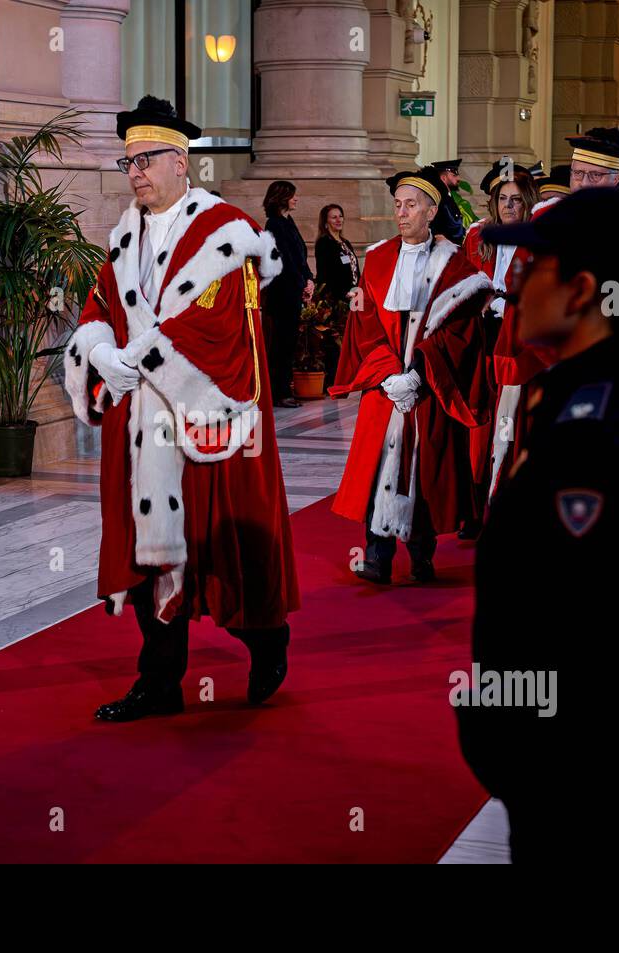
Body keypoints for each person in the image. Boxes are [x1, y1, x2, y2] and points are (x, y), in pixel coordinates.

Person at [457, 189, 619, 862]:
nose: (515, 285)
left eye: (534, 265)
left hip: (588, 771)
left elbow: (574, 623)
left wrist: (510, 744)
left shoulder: (595, 434)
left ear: (580, 289)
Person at [63, 95, 299, 722]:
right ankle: (160, 681)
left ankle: (265, 639)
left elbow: (216, 324)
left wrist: (133, 358)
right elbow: (98, 305)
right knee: (149, 551)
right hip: (140, 423)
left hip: (208, 417)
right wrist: (99, 349)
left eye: (144, 160)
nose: (135, 172)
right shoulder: (122, 236)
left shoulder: (225, 231)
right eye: (127, 162)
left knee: (220, 546)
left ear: (179, 161)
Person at [329, 167, 492, 584]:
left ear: (432, 211)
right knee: (377, 469)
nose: (401, 213)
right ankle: (377, 557)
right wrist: (387, 376)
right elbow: (364, 324)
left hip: (428, 386)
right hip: (385, 390)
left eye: (411, 205)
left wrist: (417, 374)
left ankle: (421, 557)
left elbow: (460, 331)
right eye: (398, 205)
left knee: (423, 471)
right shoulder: (380, 259)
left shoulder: (454, 266)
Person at [462, 166, 539, 509]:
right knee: (480, 416)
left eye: (516, 200)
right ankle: (475, 502)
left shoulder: (537, 239)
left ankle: (504, 495)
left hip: (517, 341)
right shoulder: (480, 238)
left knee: (509, 421)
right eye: (503, 199)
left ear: (527, 203)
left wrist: (508, 301)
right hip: (482, 337)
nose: (509, 207)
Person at [261, 180, 313, 408]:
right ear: (282, 197)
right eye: (293, 195)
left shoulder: (287, 222)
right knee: (281, 345)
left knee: (289, 343)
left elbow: (300, 253)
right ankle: (279, 391)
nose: (296, 199)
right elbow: (285, 261)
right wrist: (302, 283)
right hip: (282, 294)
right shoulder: (274, 224)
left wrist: (309, 279)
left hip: (293, 290)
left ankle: (284, 388)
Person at [314, 203, 359, 389]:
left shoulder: (345, 242)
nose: (339, 220)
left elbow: (354, 269)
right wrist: (344, 293)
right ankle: (334, 380)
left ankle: (348, 376)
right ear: (326, 222)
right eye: (334, 217)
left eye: (340, 216)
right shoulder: (325, 243)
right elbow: (326, 275)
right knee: (334, 341)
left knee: (350, 339)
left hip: (353, 296)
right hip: (335, 299)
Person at [429, 158, 471, 243]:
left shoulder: (447, 196)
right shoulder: (439, 199)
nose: (458, 178)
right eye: (454, 175)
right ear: (444, 178)